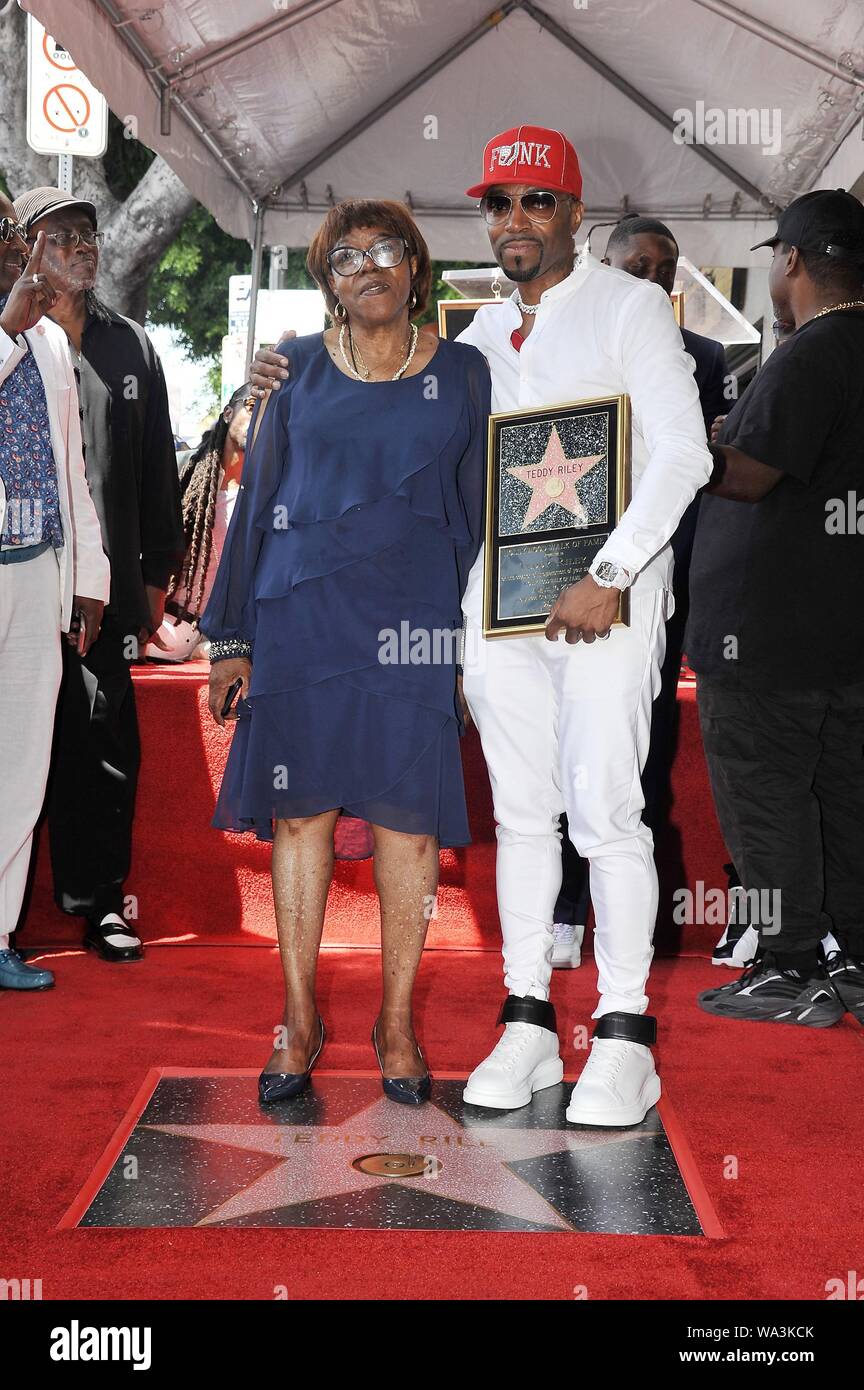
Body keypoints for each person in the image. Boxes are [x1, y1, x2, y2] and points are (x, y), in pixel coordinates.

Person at [253, 124, 713, 1126]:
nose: (514, 219)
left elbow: (684, 455)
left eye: (536, 201)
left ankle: (627, 1033)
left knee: (606, 812)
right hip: (499, 619)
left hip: (607, 602)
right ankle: (530, 1020)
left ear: (574, 213)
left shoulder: (634, 308)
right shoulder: (471, 343)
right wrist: (275, 381)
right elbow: (426, 472)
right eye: (498, 202)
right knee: (520, 816)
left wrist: (611, 571)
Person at [202, 199, 490, 1106]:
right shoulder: (290, 369)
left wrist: (482, 643)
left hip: (415, 620)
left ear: (417, 267)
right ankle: (299, 1017)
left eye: (386, 251)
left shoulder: (467, 371)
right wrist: (233, 634)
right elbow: (255, 505)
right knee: (301, 816)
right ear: (328, 282)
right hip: (302, 614)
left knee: (409, 822)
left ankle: (395, 1024)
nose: (368, 267)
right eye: (346, 257)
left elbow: (485, 507)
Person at [687, 187, 864, 1027]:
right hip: (841, 630)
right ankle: (853, 962)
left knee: (766, 796)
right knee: (842, 796)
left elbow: (749, 476)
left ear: (790, 260)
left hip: (765, 634)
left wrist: (681, 443)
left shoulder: (808, 352)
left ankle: (789, 968)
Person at [550, 214, 729, 970]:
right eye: (639, 265)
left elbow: (691, 476)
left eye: (666, 267)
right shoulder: (568, 338)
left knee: (638, 754)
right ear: (606, 263)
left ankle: (634, 931)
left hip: (657, 582)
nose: (653, 279)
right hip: (560, 579)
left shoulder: (707, 355)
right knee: (561, 754)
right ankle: (564, 910)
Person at [13, 187, 185, 964]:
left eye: (90, 233)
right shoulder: (21, 337)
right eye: (62, 234)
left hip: (106, 592)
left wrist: (154, 582)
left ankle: (99, 905)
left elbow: (157, 473)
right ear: (27, 247)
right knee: (19, 746)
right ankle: (10, 921)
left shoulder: (133, 346)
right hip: (25, 578)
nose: (83, 245)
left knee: (103, 747)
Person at [0, 197, 109, 990]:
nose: (12, 244)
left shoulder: (47, 338)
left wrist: (89, 578)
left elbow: (73, 470)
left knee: (21, 762)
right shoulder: (18, 331)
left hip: (39, 567)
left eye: (10, 231)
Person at [145, 383, 253, 662]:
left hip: (227, 633)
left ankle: (205, 651)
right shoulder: (186, 475)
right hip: (170, 626)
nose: (257, 422)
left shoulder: (263, 494)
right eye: (251, 408)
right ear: (228, 412)